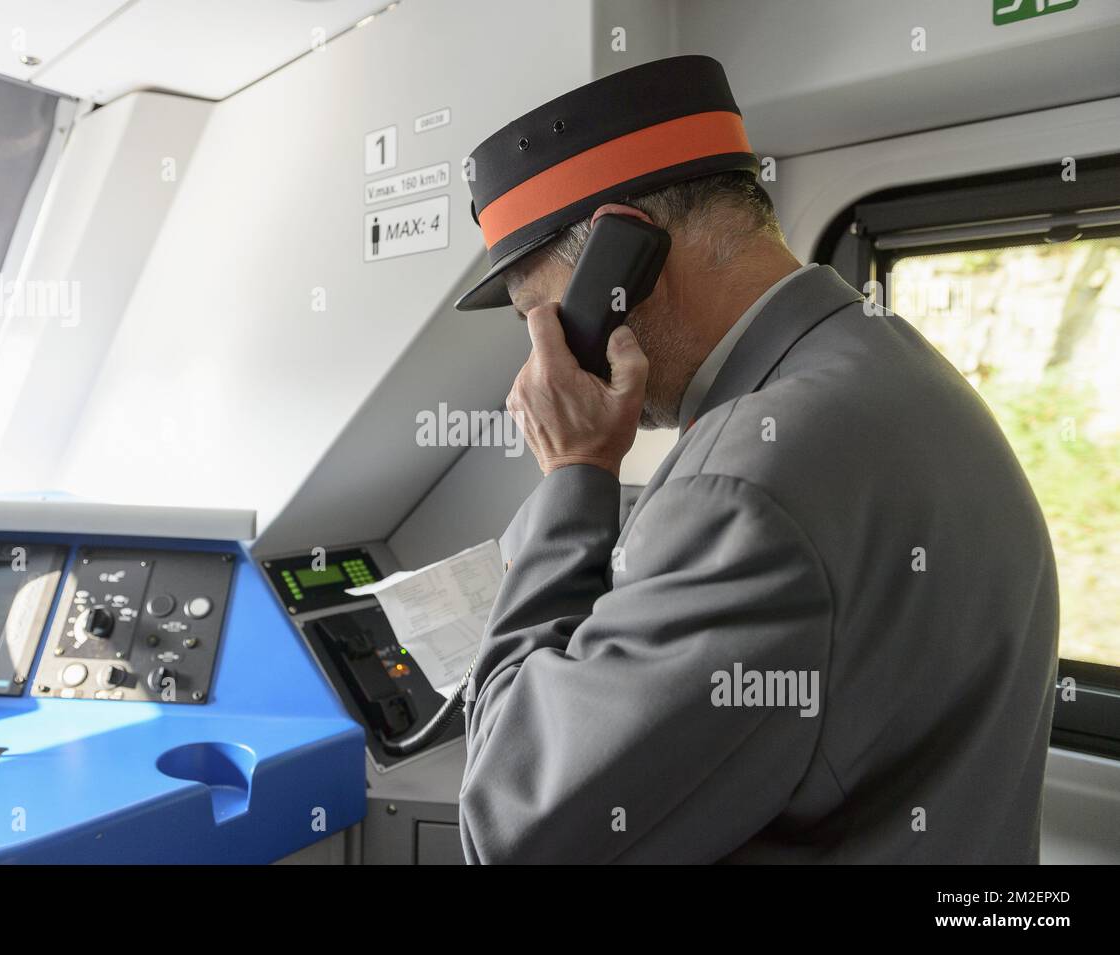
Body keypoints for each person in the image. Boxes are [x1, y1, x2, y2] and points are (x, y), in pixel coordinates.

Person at [452, 55, 1058, 864]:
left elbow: (512, 828)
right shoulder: (896, 364)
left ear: (617, 263)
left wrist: (572, 479)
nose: (541, 352)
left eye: (540, 309)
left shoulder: (740, 489)